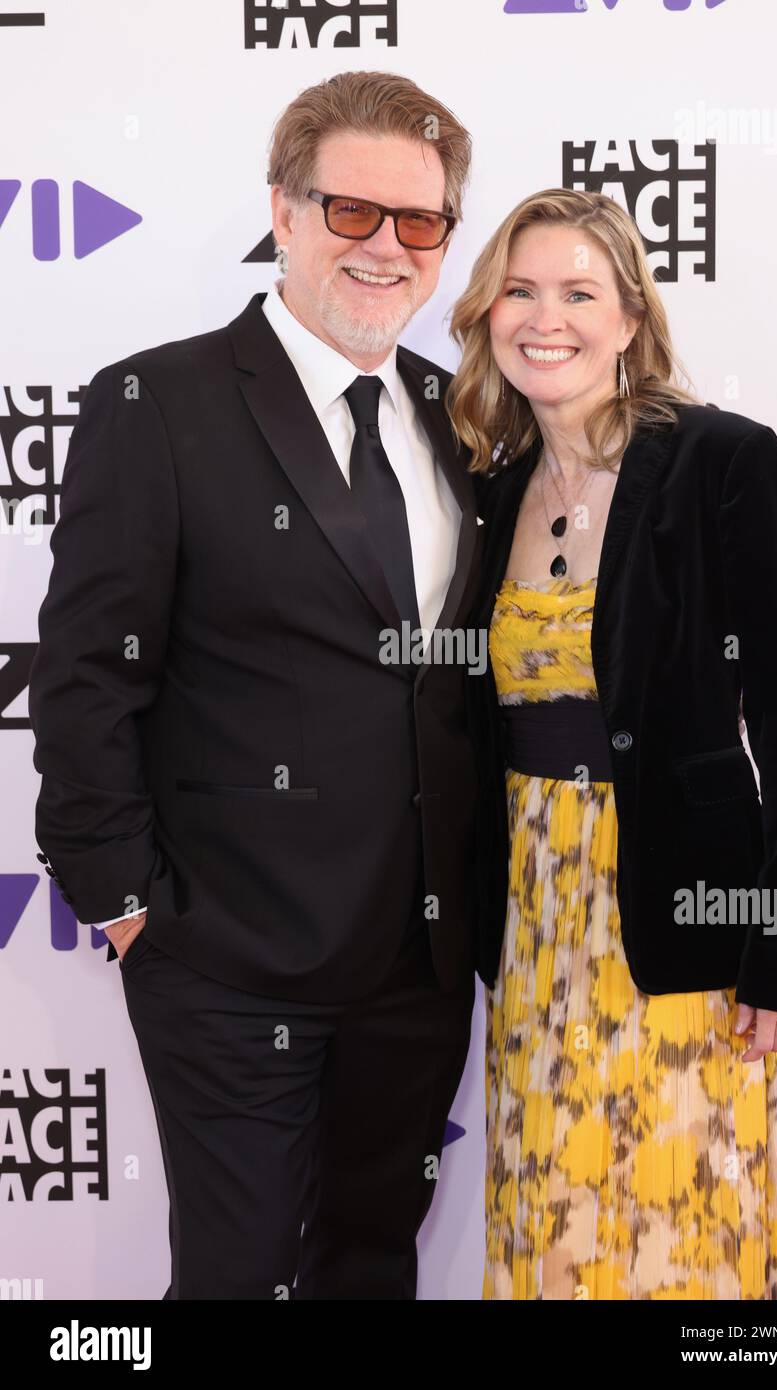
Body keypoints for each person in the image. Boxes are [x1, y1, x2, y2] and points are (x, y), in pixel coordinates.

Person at [28, 70, 480, 1300]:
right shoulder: (157, 403)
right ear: (280, 213)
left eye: (420, 221)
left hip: (420, 962)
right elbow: (84, 676)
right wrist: (130, 905)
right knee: (230, 1279)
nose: (386, 247)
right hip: (225, 961)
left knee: (371, 1263)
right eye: (350, 212)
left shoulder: (462, 417)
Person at [448, 188, 777, 1299]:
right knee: (553, 1211)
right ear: (486, 313)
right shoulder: (491, 483)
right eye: (518, 290)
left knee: (679, 1214)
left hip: (684, 915)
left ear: (628, 317)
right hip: (532, 917)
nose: (543, 316)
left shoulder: (722, 461)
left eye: (577, 291)